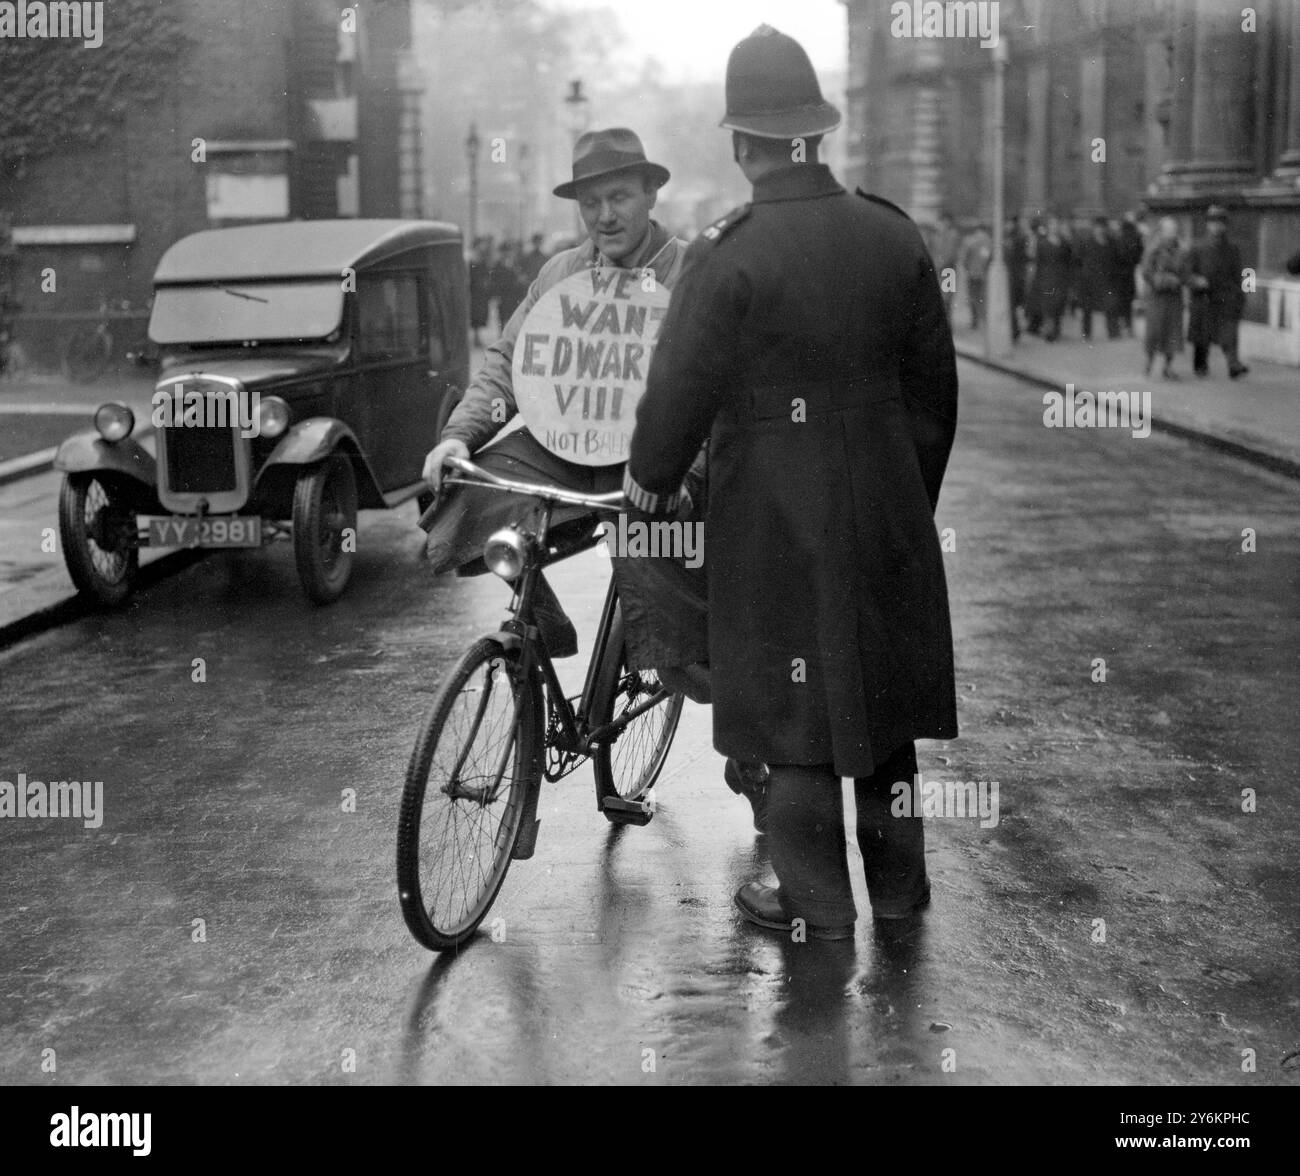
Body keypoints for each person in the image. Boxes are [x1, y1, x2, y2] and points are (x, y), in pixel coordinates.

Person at [624, 25, 959, 939]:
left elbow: (674, 404)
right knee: (882, 707)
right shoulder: (894, 237)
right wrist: (898, 496)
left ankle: (813, 908)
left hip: (769, 521)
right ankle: (899, 894)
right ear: (820, 130)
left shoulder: (725, 254)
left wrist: (652, 485)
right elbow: (937, 397)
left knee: (791, 710)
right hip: (886, 512)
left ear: (742, 145)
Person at [419, 127, 717, 742]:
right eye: (590, 203)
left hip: (655, 458)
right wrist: (459, 436)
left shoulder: (691, 271)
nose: (604, 217)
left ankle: (746, 747)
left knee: (672, 612)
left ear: (651, 194)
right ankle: (542, 617)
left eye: (620, 197)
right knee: (462, 490)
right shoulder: (561, 271)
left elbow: (720, 388)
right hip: (568, 446)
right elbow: (506, 363)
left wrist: (683, 475)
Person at [1187, 205, 1248, 379]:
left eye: (1221, 223)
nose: (1217, 227)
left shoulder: (1233, 248)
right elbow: (1187, 273)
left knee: (1229, 332)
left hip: (1226, 297)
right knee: (1202, 336)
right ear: (1207, 225)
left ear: (1226, 226)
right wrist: (1196, 281)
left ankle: (1233, 364)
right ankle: (1200, 365)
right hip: (1203, 297)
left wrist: (1245, 293)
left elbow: (1243, 272)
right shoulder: (1197, 247)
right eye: (1213, 223)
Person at [1140, 216, 1187, 379]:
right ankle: (1149, 364)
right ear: (1161, 231)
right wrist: (1160, 280)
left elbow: (1185, 272)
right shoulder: (1152, 249)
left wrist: (1178, 279)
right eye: (1168, 231)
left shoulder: (1181, 249)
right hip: (1157, 297)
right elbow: (1146, 271)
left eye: (1174, 231)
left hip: (1174, 297)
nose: (1171, 234)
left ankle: (1168, 367)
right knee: (1154, 331)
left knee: (1172, 333)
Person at [1077, 216, 1120, 341]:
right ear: (1093, 229)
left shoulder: (1111, 242)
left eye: (1102, 228)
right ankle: (1086, 333)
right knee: (1087, 308)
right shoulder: (1086, 242)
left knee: (1111, 305)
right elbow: (1078, 261)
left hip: (1107, 279)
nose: (1100, 230)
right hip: (1089, 280)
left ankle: (1113, 332)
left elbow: (1116, 259)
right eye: (1097, 228)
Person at [1031, 216, 1071, 341]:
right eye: (1052, 225)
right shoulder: (1042, 244)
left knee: (1058, 305)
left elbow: (1069, 261)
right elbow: (1038, 262)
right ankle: (1049, 333)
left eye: (1056, 225)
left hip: (1060, 279)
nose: (1054, 228)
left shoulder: (1064, 243)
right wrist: (1037, 280)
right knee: (1048, 307)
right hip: (1046, 279)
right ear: (1048, 228)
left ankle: (1056, 330)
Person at [1113, 212, 1145, 335]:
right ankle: (1129, 326)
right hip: (1131, 272)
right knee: (1130, 300)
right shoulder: (1136, 236)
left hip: (1119, 273)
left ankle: (1122, 325)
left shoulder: (1119, 236)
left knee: (1121, 301)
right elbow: (1139, 253)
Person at [961, 224, 993, 330]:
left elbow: (964, 257)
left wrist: (967, 268)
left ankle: (974, 321)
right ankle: (983, 319)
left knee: (972, 297)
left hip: (972, 273)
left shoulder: (970, 241)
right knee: (982, 297)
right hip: (983, 274)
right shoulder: (988, 242)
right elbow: (988, 258)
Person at [930, 212, 960, 323]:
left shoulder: (953, 235)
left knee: (947, 299)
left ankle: (947, 323)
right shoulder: (935, 236)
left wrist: (939, 264)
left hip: (948, 271)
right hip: (937, 271)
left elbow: (951, 254)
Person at [467, 236, 491, 347]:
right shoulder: (472, 258)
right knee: (475, 315)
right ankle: (476, 338)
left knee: (480, 315)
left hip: (481, 292)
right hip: (475, 291)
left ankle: (477, 337)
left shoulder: (482, 257)